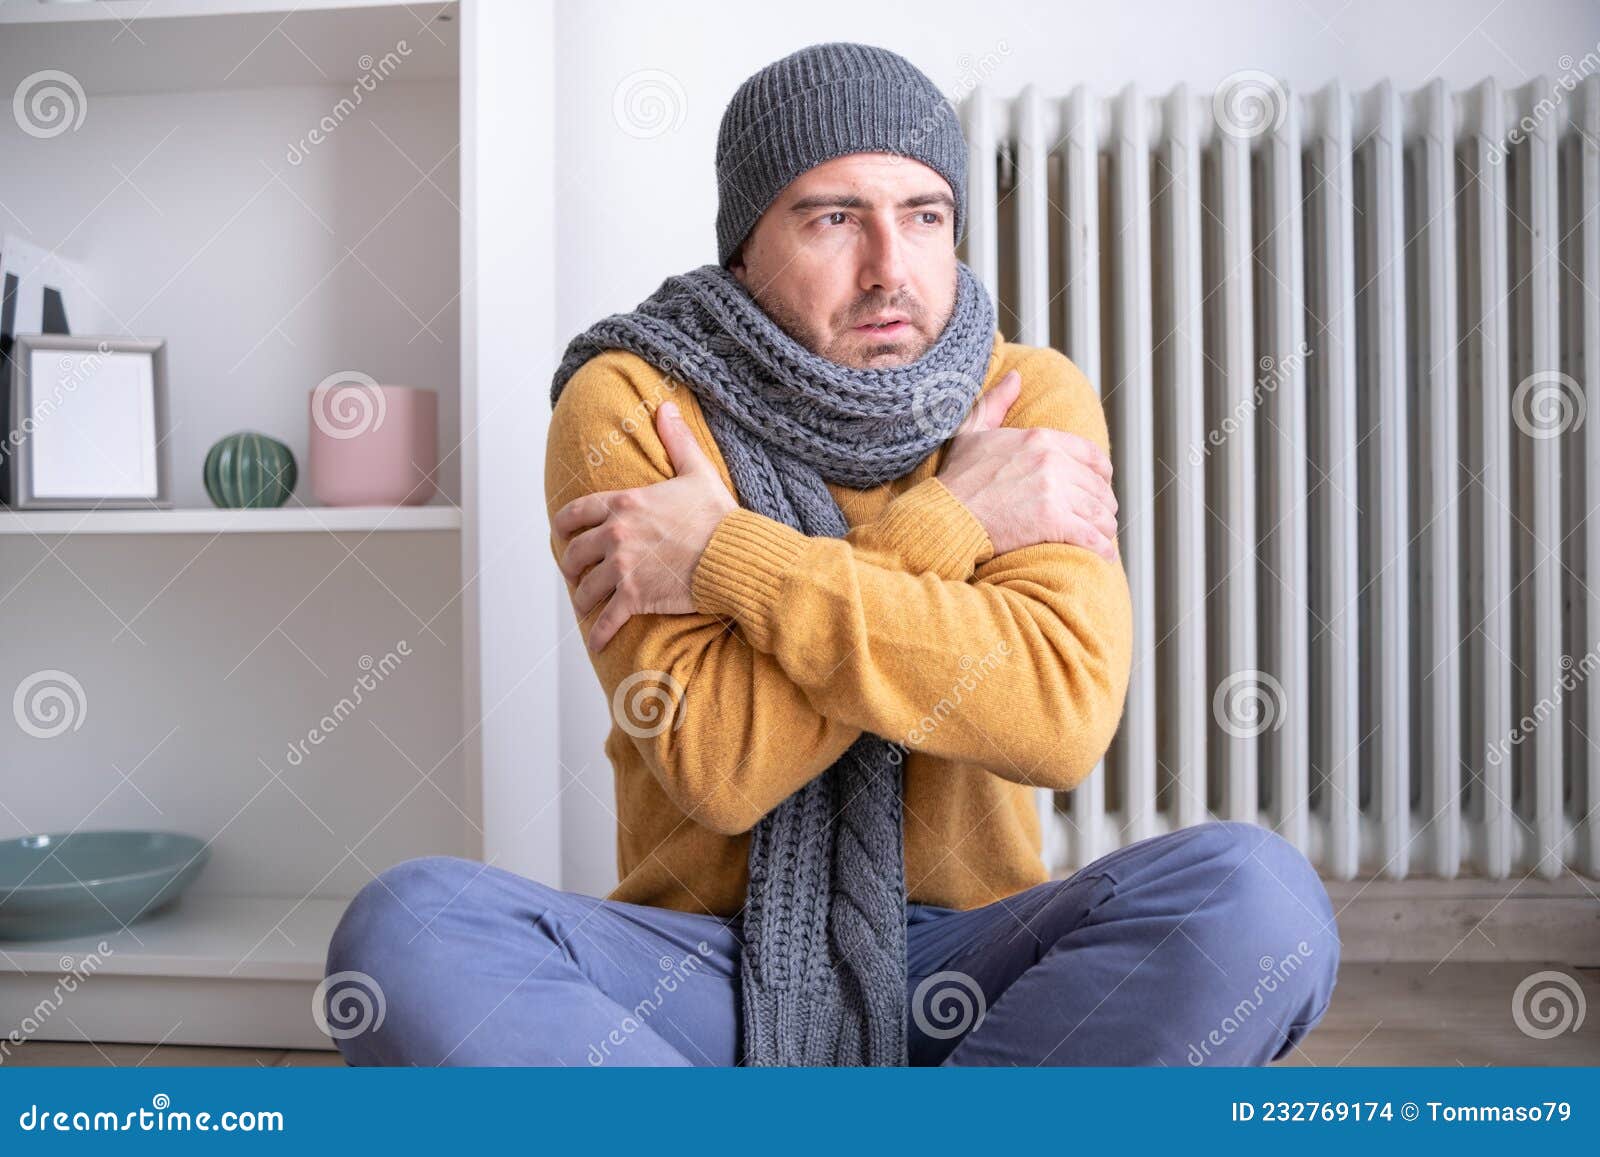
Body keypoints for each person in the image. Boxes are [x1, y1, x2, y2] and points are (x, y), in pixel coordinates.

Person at [323, 40, 1338, 1067]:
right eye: (833, 217)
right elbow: (720, 763)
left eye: (926, 216)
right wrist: (950, 523)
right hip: (698, 967)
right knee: (409, 931)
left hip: (971, 959)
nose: (889, 268)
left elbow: (1057, 716)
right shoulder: (630, 401)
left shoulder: (1029, 398)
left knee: (1259, 900)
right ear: (744, 247)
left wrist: (724, 553)